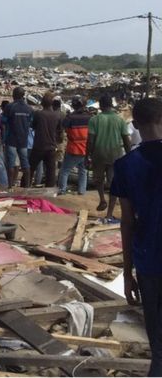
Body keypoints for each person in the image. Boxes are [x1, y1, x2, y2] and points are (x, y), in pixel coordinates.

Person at [111, 97, 162, 376]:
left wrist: (127, 272)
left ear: (136, 125)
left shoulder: (126, 165)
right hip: (149, 262)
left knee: (159, 347)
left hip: (148, 262)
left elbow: (127, 222)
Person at [87, 94, 131, 219]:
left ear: (100, 106)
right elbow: (126, 141)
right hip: (115, 155)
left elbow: (90, 140)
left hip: (99, 154)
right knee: (113, 183)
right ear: (111, 106)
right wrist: (130, 157)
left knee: (98, 180)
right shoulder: (120, 120)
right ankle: (109, 213)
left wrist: (87, 156)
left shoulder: (94, 120)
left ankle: (102, 199)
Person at [29, 92, 64, 188]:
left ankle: (25, 186)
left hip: (38, 146)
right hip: (51, 147)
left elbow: (33, 126)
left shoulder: (38, 114)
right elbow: (60, 131)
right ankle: (49, 191)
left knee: (30, 169)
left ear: (42, 103)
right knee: (50, 172)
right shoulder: (57, 116)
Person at [58, 97, 91, 195]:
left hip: (73, 148)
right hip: (85, 148)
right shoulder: (90, 117)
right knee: (83, 171)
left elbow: (63, 128)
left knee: (65, 170)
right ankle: (82, 191)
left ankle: (62, 190)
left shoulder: (70, 118)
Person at [4, 87, 33, 188]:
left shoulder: (10, 107)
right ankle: (28, 186)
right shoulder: (29, 109)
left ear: (14, 95)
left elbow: (4, 121)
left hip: (11, 139)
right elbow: (31, 122)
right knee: (25, 164)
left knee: (11, 164)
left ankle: (10, 186)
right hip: (23, 140)